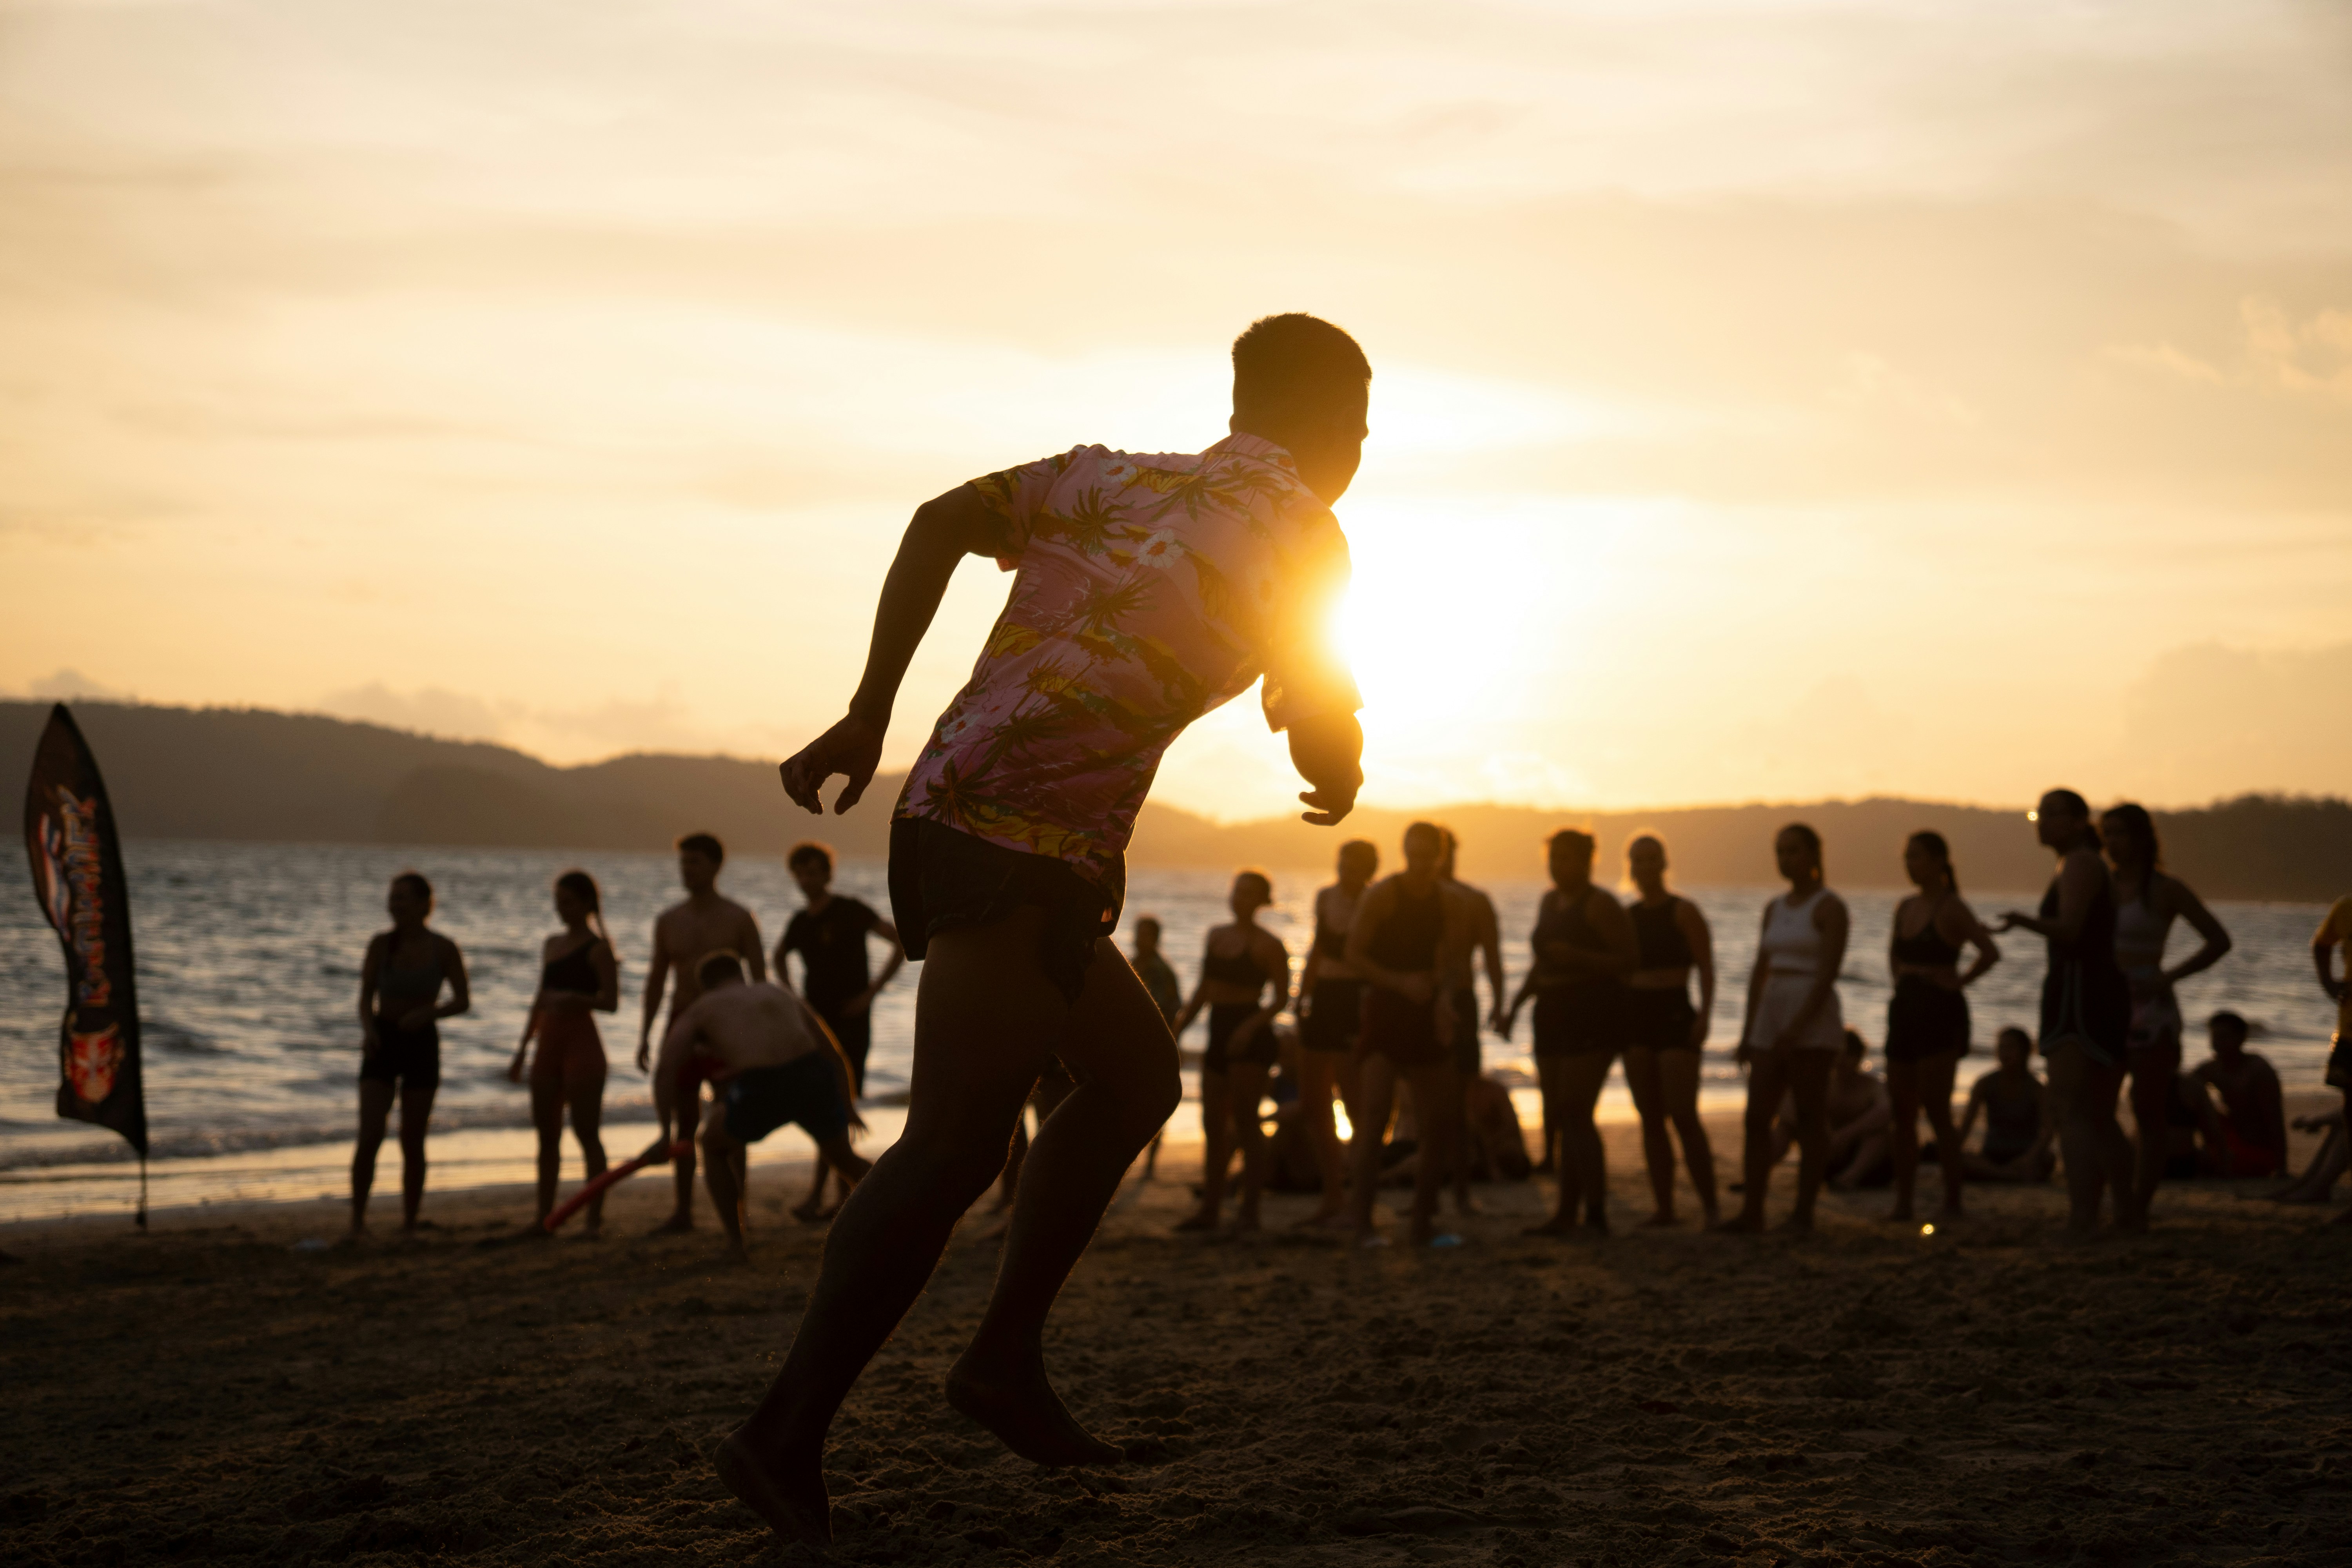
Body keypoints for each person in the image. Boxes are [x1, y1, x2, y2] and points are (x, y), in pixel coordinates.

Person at [740, 312, 1368, 1544]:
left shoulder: (1108, 474)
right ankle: (782, 1432)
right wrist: (1339, 764)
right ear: (1328, 424)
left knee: (1133, 1077)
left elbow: (935, 520)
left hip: (961, 813)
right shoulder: (1312, 532)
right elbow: (1312, 701)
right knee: (950, 1149)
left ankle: (1003, 1360)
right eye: (1359, 422)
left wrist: (872, 714)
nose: (1361, 444)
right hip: (1019, 840)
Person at [652, 951, 870, 1261]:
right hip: (812, 1074)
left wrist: (664, 1133)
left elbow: (666, 1070)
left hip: (764, 1083)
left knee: (712, 1145)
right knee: (845, 1160)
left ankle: (735, 1244)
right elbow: (833, 1052)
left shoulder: (702, 1007)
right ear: (741, 975)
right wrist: (847, 1105)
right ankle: (910, 1210)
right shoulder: (779, 992)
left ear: (706, 986)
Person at [1992, 790, 2136, 1234]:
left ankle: (2083, 1216)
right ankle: (2127, 1213)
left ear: (2078, 821)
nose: (2043, 822)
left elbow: (2070, 930)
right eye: (2039, 813)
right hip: (2095, 991)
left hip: (2079, 993)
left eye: (2054, 813)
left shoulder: (2078, 863)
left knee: (2071, 1107)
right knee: (2095, 1111)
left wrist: (2021, 921)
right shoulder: (2086, 863)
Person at [1501, 829, 1637, 1237]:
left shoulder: (1601, 904)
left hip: (1592, 1016)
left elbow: (1630, 962)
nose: (1559, 867)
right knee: (1561, 1115)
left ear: (1587, 860)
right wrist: (1515, 1006)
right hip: (1551, 1013)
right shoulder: (1548, 901)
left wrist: (1579, 958)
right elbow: (1540, 963)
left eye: (1567, 858)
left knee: (1579, 1112)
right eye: (1554, 858)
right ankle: (1566, 1212)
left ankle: (1595, 1214)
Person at [2100, 803, 2233, 1216]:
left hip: (2151, 1011)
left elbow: (2218, 939)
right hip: (2105, 1004)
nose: (2111, 842)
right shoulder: (2100, 885)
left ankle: (2139, 1205)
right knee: (2100, 1107)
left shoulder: (2165, 889)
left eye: (2119, 832)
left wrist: (2170, 976)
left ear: (2141, 837)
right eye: (2106, 833)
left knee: (2147, 1107)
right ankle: (2119, 1196)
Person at [1720, 823, 1848, 1234]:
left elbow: (1828, 972)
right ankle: (1752, 1211)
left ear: (1813, 854)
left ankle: (1803, 1213)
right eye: (1780, 851)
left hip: (1811, 1014)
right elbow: (1759, 970)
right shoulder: (1775, 907)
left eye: (1793, 851)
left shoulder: (1830, 907)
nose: (1786, 859)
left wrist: (1797, 1027)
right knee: (1757, 1116)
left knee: (1810, 1116)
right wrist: (1747, 1030)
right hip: (1771, 1012)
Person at [1345, 822, 1469, 1247]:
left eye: (1427, 855)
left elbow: (1453, 962)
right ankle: (1361, 1224)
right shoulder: (1383, 895)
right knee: (1375, 1115)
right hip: (1386, 1010)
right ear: (1404, 851)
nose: (1419, 862)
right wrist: (1400, 983)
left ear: (1439, 855)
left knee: (1438, 1124)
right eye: (1412, 853)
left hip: (1425, 1012)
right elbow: (1353, 953)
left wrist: (1444, 1001)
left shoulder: (1448, 901)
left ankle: (1421, 1223)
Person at [638, 833, 766, 1234]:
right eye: (683, 863)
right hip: (683, 1021)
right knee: (684, 1122)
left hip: (728, 1027)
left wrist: (758, 1033)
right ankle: (683, 1212)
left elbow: (760, 980)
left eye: (694, 862)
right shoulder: (669, 920)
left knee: (734, 1121)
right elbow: (657, 981)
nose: (686, 870)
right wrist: (644, 1034)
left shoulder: (739, 918)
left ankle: (738, 1211)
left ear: (715, 866)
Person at [776, 841, 905, 1220]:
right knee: (823, 1102)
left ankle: (836, 1197)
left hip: (852, 1020)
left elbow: (899, 941)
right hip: (816, 1024)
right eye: (800, 872)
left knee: (840, 1102)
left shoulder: (851, 910)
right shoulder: (801, 922)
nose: (806, 879)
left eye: (813, 871)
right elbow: (778, 957)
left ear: (827, 874)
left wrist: (871, 993)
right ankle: (830, 1196)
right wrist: (795, 1001)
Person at [1882, 831, 2000, 1223]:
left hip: (1940, 1013)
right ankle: (1903, 1203)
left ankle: (1953, 1201)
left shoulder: (1952, 908)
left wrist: (1960, 981)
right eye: (1906, 858)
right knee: (1901, 1112)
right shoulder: (1905, 906)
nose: (1909, 865)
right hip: (1905, 1011)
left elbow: (1989, 951)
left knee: (1936, 1108)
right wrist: (1905, 979)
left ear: (1938, 861)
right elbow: (1894, 955)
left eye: (1916, 857)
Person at [1171, 871, 1290, 1232]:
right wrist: (1174, 1031)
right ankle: (1210, 1210)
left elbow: (1281, 999)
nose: (1241, 898)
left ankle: (1249, 1212)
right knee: (1212, 1125)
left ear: (1262, 901)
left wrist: (1249, 1027)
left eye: (1250, 893)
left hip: (1250, 1035)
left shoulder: (1270, 945)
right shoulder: (1216, 936)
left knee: (1246, 1122)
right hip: (1219, 1031)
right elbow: (1204, 991)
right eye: (1238, 891)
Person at [352, 871, 470, 1236]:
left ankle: (409, 1222)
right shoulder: (380, 945)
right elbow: (365, 998)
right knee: (370, 1134)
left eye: (402, 898)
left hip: (422, 1042)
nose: (395, 905)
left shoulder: (444, 948)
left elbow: (463, 1001)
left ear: (424, 905)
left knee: (412, 1138)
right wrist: (370, 1031)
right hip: (383, 1041)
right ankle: (358, 1222)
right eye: (392, 898)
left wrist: (429, 1013)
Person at [507, 870, 620, 1235]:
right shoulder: (551, 943)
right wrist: (522, 1050)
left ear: (588, 904)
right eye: (558, 902)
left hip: (583, 1045)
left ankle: (593, 1220)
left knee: (587, 1133)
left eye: (568, 902)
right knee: (547, 1136)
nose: (561, 910)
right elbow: (539, 1000)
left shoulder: (599, 949)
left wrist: (577, 999)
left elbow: (611, 1002)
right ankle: (544, 1218)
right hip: (548, 1045)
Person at [1619, 834, 1719, 1228]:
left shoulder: (1683, 910)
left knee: (1683, 1114)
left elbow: (1707, 965)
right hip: (1637, 1015)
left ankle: (1710, 1206)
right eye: (1637, 860)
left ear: (1663, 863)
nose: (1643, 868)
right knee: (1650, 1117)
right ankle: (1665, 1208)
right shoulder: (1627, 916)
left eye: (1650, 859)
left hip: (1675, 1011)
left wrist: (1706, 1014)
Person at [1295, 839, 1377, 1223]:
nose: (1347, 869)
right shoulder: (1326, 896)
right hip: (1324, 996)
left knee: (1355, 1101)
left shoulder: (1374, 901)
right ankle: (1333, 1194)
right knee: (1314, 1101)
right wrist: (1302, 995)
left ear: (1369, 868)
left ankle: (1361, 1198)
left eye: (1356, 863)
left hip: (1355, 998)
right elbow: (1316, 949)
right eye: (1343, 862)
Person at [1436, 828, 1505, 1214]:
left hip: (1462, 1001)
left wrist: (1500, 1002)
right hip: (1420, 999)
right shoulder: (1411, 897)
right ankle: (1432, 1192)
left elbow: (1492, 955)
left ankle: (1462, 1192)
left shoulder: (1474, 900)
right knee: (1425, 1099)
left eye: (1443, 852)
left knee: (1460, 1100)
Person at [2181, 1011, 2286, 1178]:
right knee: (2192, 1095)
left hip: (2257, 1150)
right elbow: (2183, 1087)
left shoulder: (2258, 1070)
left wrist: (2281, 1168)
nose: (2219, 1044)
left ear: (2242, 1038)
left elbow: (2275, 1121)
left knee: (2195, 1164)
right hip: (2231, 1139)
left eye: (2225, 1037)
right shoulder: (2213, 1069)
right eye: (2215, 1038)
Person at [1954, 1027, 2057, 1183]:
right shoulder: (1985, 1083)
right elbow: (1967, 1125)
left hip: (2026, 1154)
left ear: (2025, 1052)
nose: (2004, 1053)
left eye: (2010, 1048)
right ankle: (2008, 1175)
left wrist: (2030, 1157)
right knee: (1962, 1162)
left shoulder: (2036, 1088)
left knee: (2048, 1159)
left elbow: (2049, 1131)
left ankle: (1999, 1175)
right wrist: (1953, 1152)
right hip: (1993, 1154)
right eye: (2001, 1048)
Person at [1128, 916, 1183, 1181]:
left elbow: (1172, 1009)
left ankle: (1150, 1165)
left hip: (1152, 1046)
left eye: (1147, 934)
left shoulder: (1162, 971)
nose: (1141, 939)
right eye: (1139, 933)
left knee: (1153, 1106)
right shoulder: (1129, 964)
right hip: (1129, 1045)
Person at [2312, 893, 2352, 1224]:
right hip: (2350, 1031)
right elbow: (2321, 945)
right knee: (2351, 1113)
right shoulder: (2345, 908)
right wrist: (2328, 983)